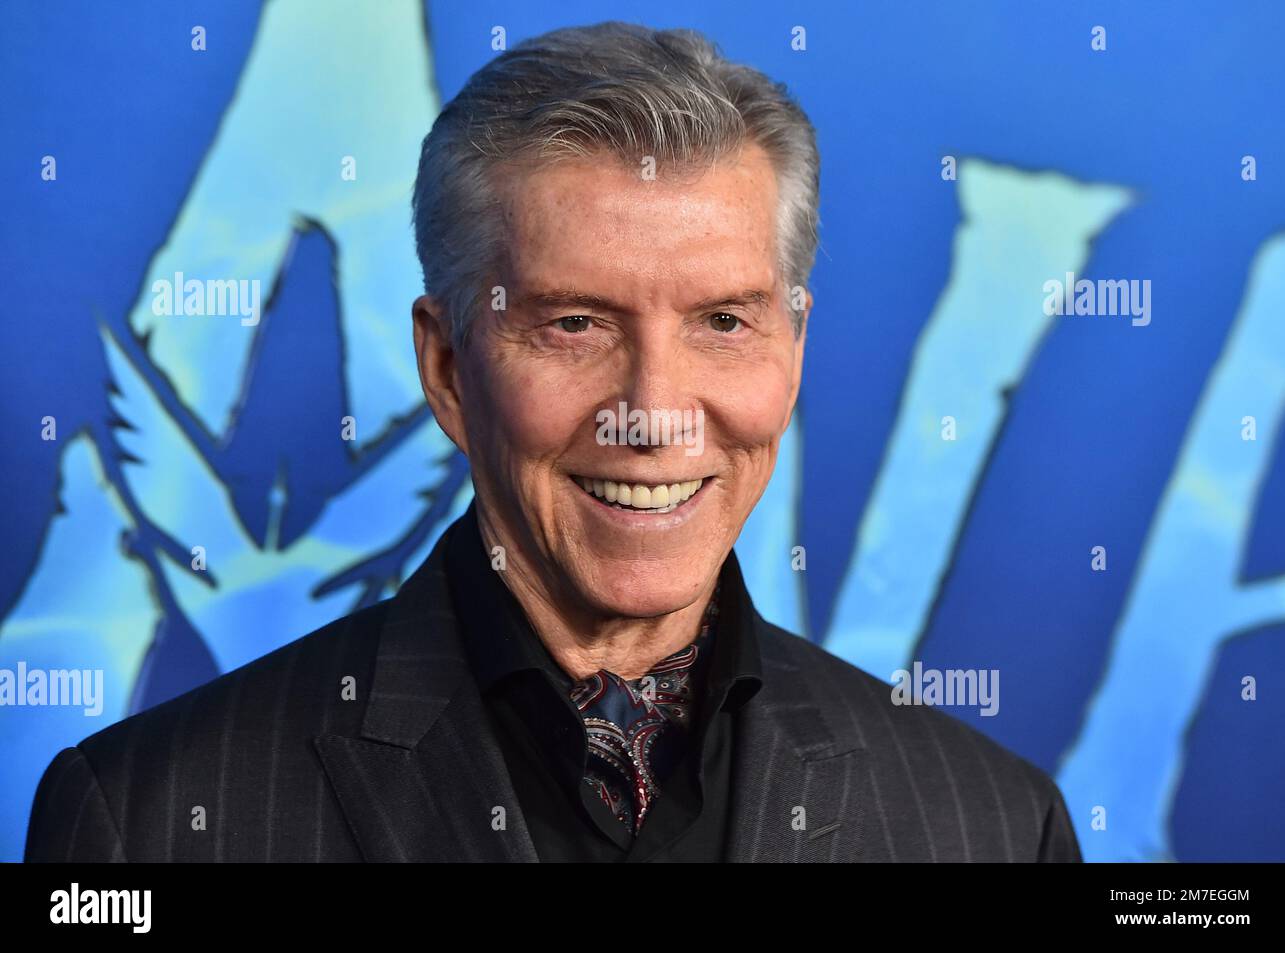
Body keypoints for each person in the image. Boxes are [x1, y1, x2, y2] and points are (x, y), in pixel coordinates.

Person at [25, 21, 1081, 863]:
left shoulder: (994, 825)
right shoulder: (148, 824)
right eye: (575, 323)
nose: (654, 410)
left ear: (792, 351)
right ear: (447, 368)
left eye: (722, 320)